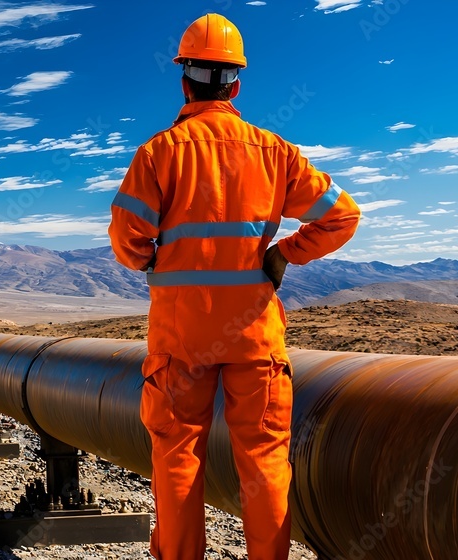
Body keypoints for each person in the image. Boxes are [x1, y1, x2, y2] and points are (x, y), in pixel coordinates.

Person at [107, 13, 360, 560]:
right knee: (265, 461)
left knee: (177, 457)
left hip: (181, 338)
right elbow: (342, 216)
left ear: (183, 81)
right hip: (253, 337)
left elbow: (128, 242)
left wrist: (157, 261)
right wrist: (284, 253)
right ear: (236, 84)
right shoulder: (276, 153)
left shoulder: (158, 154)